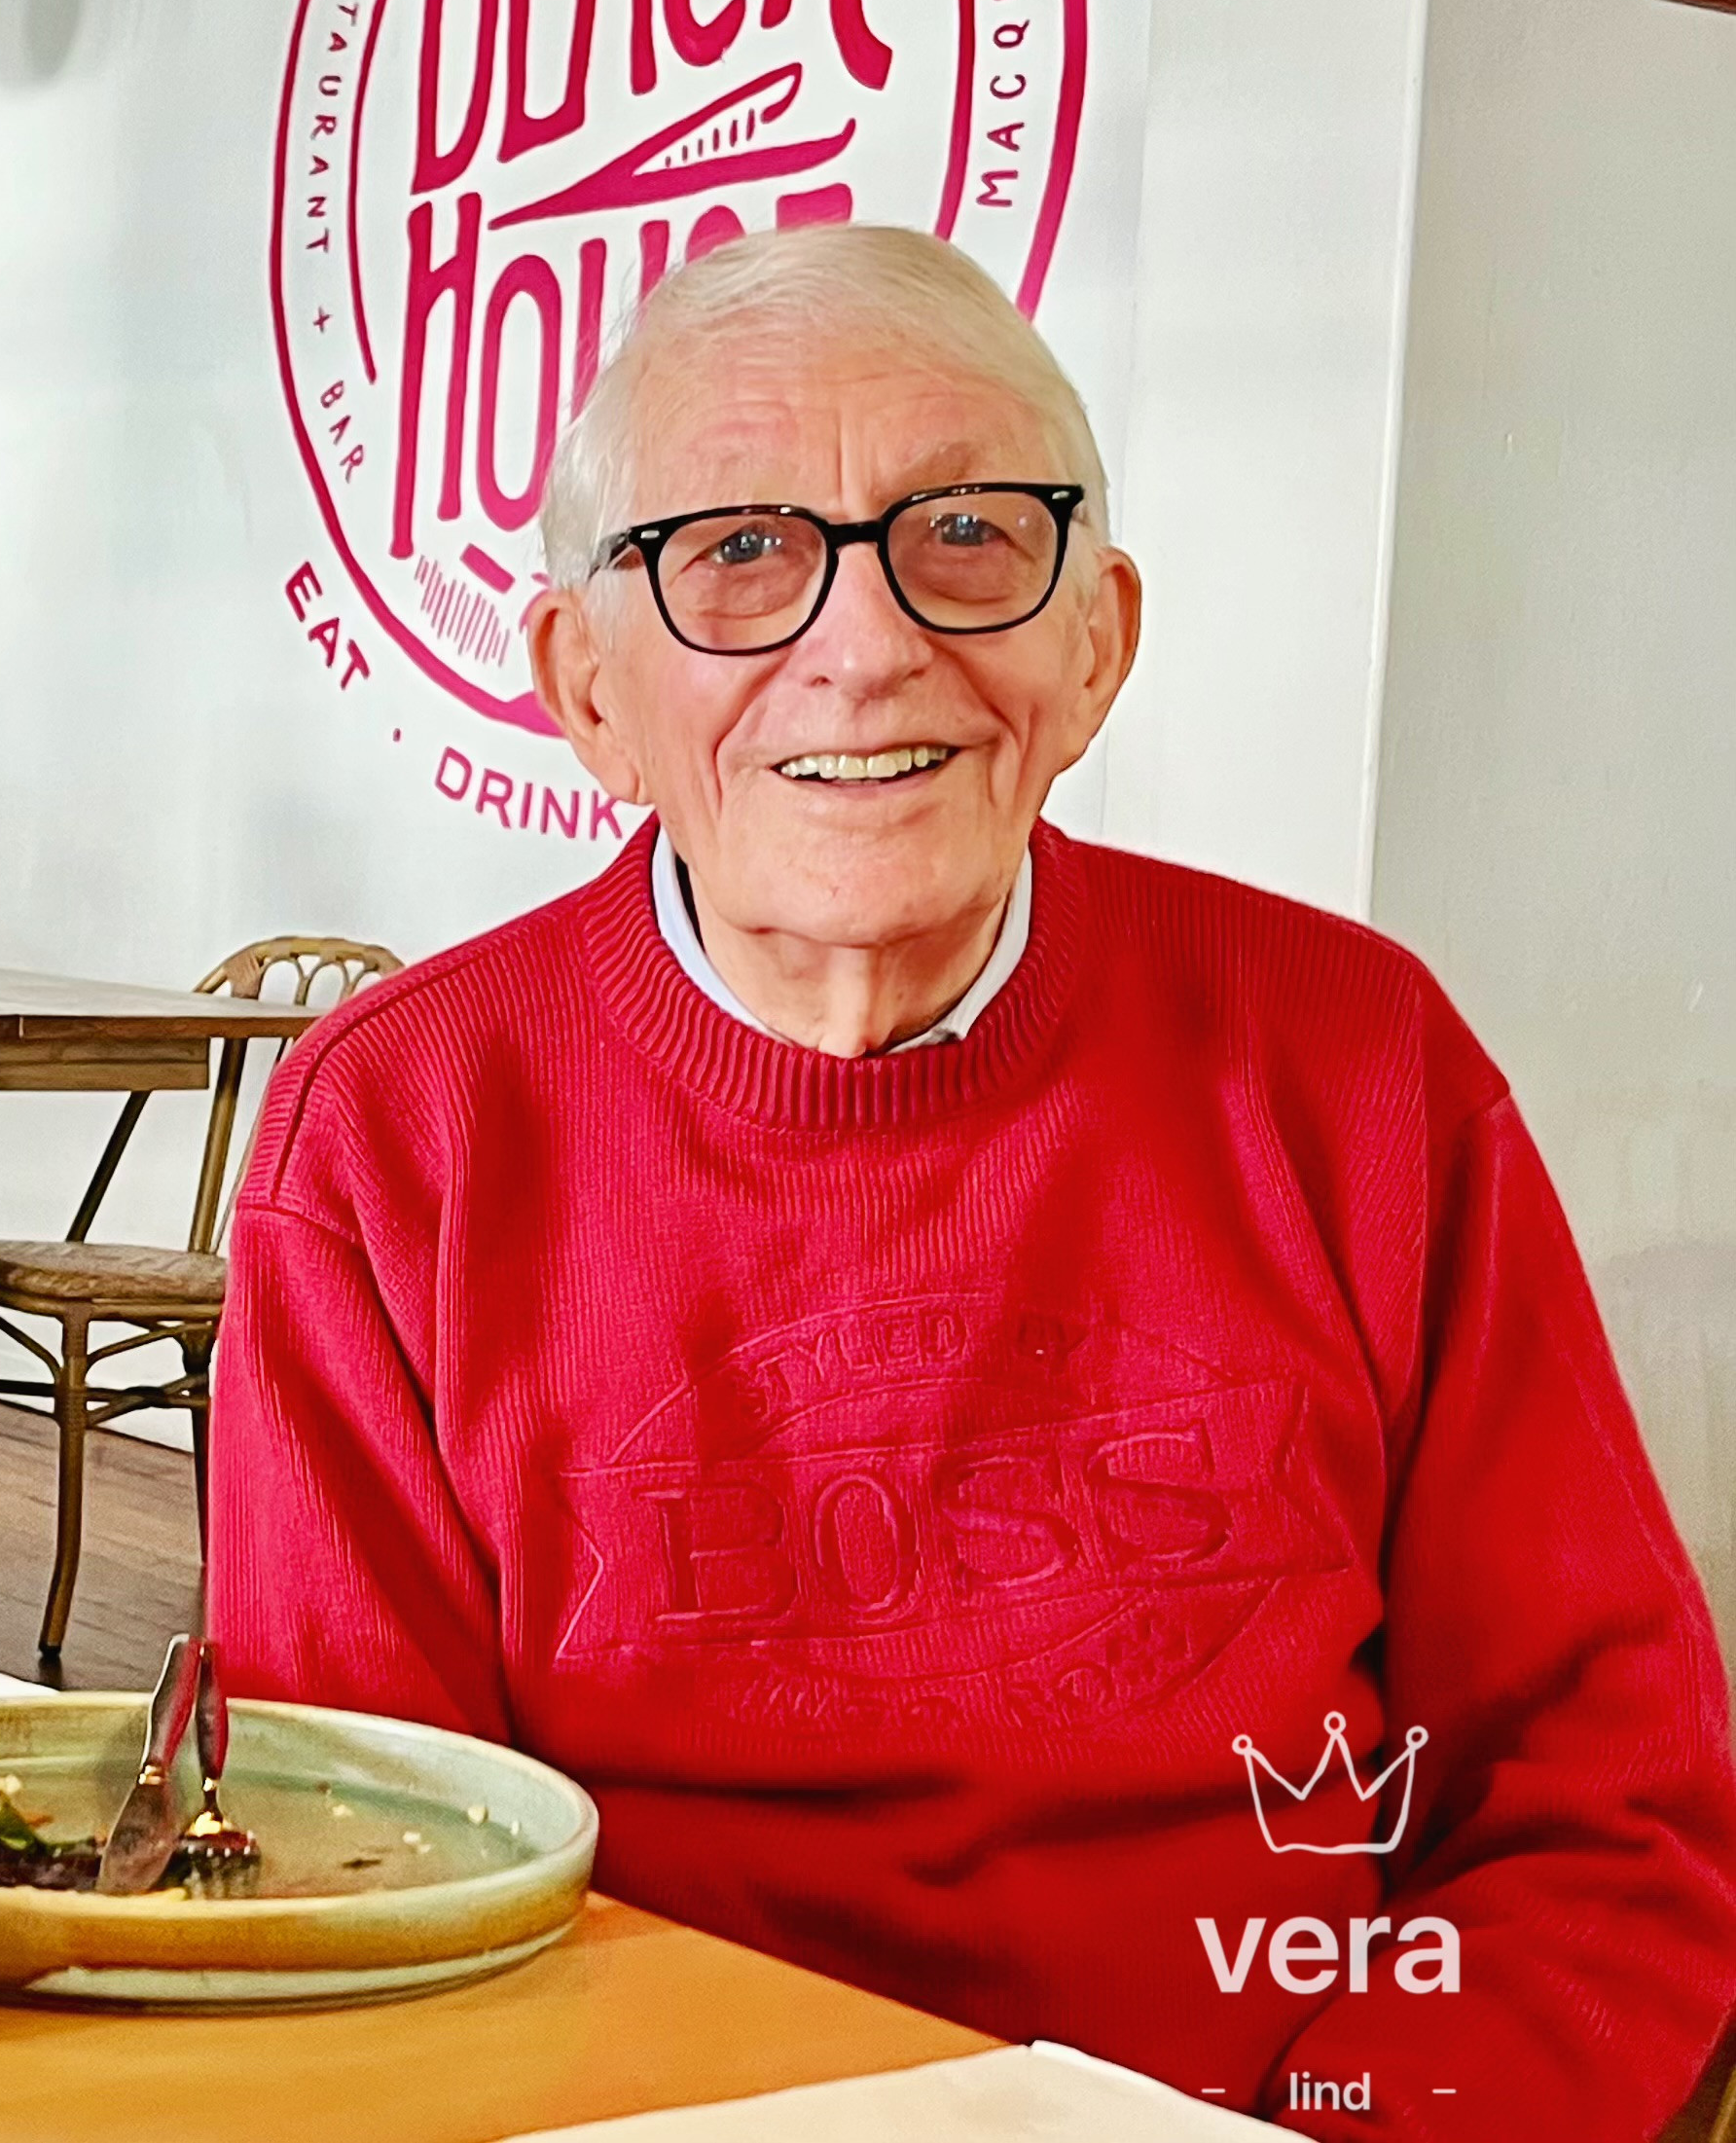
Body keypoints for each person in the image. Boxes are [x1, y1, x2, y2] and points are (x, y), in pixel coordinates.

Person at [207, 225, 1736, 2136]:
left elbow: (1608, 1813)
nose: (863, 646)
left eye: (967, 536)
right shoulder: (394, 1133)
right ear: (584, 686)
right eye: (737, 551)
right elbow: (364, 1871)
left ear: (1092, 637)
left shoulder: (1359, 1065)